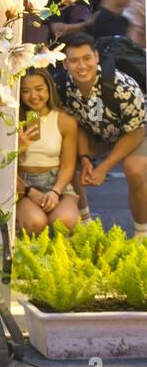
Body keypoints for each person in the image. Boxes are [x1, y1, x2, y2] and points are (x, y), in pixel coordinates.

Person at [55, 33, 147, 239]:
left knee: (135, 169)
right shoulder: (61, 86)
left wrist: (104, 168)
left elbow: (136, 131)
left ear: (96, 57)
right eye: (74, 60)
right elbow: (73, 126)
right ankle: (85, 223)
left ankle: (142, 234)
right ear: (65, 64)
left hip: (133, 130)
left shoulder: (123, 86)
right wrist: (84, 158)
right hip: (94, 131)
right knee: (66, 159)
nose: (81, 66)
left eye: (87, 58)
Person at [16, 69, 80, 235]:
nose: (33, 96)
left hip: (56, 183)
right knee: (36, 223)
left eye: (39, 89)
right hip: (24, 184)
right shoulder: (15, 120)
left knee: (65, 221)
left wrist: (55, 191)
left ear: (49, 89)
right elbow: (4, 167)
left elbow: (68, 166)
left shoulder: (65, 121)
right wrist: (19, 147)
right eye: (26, 91)